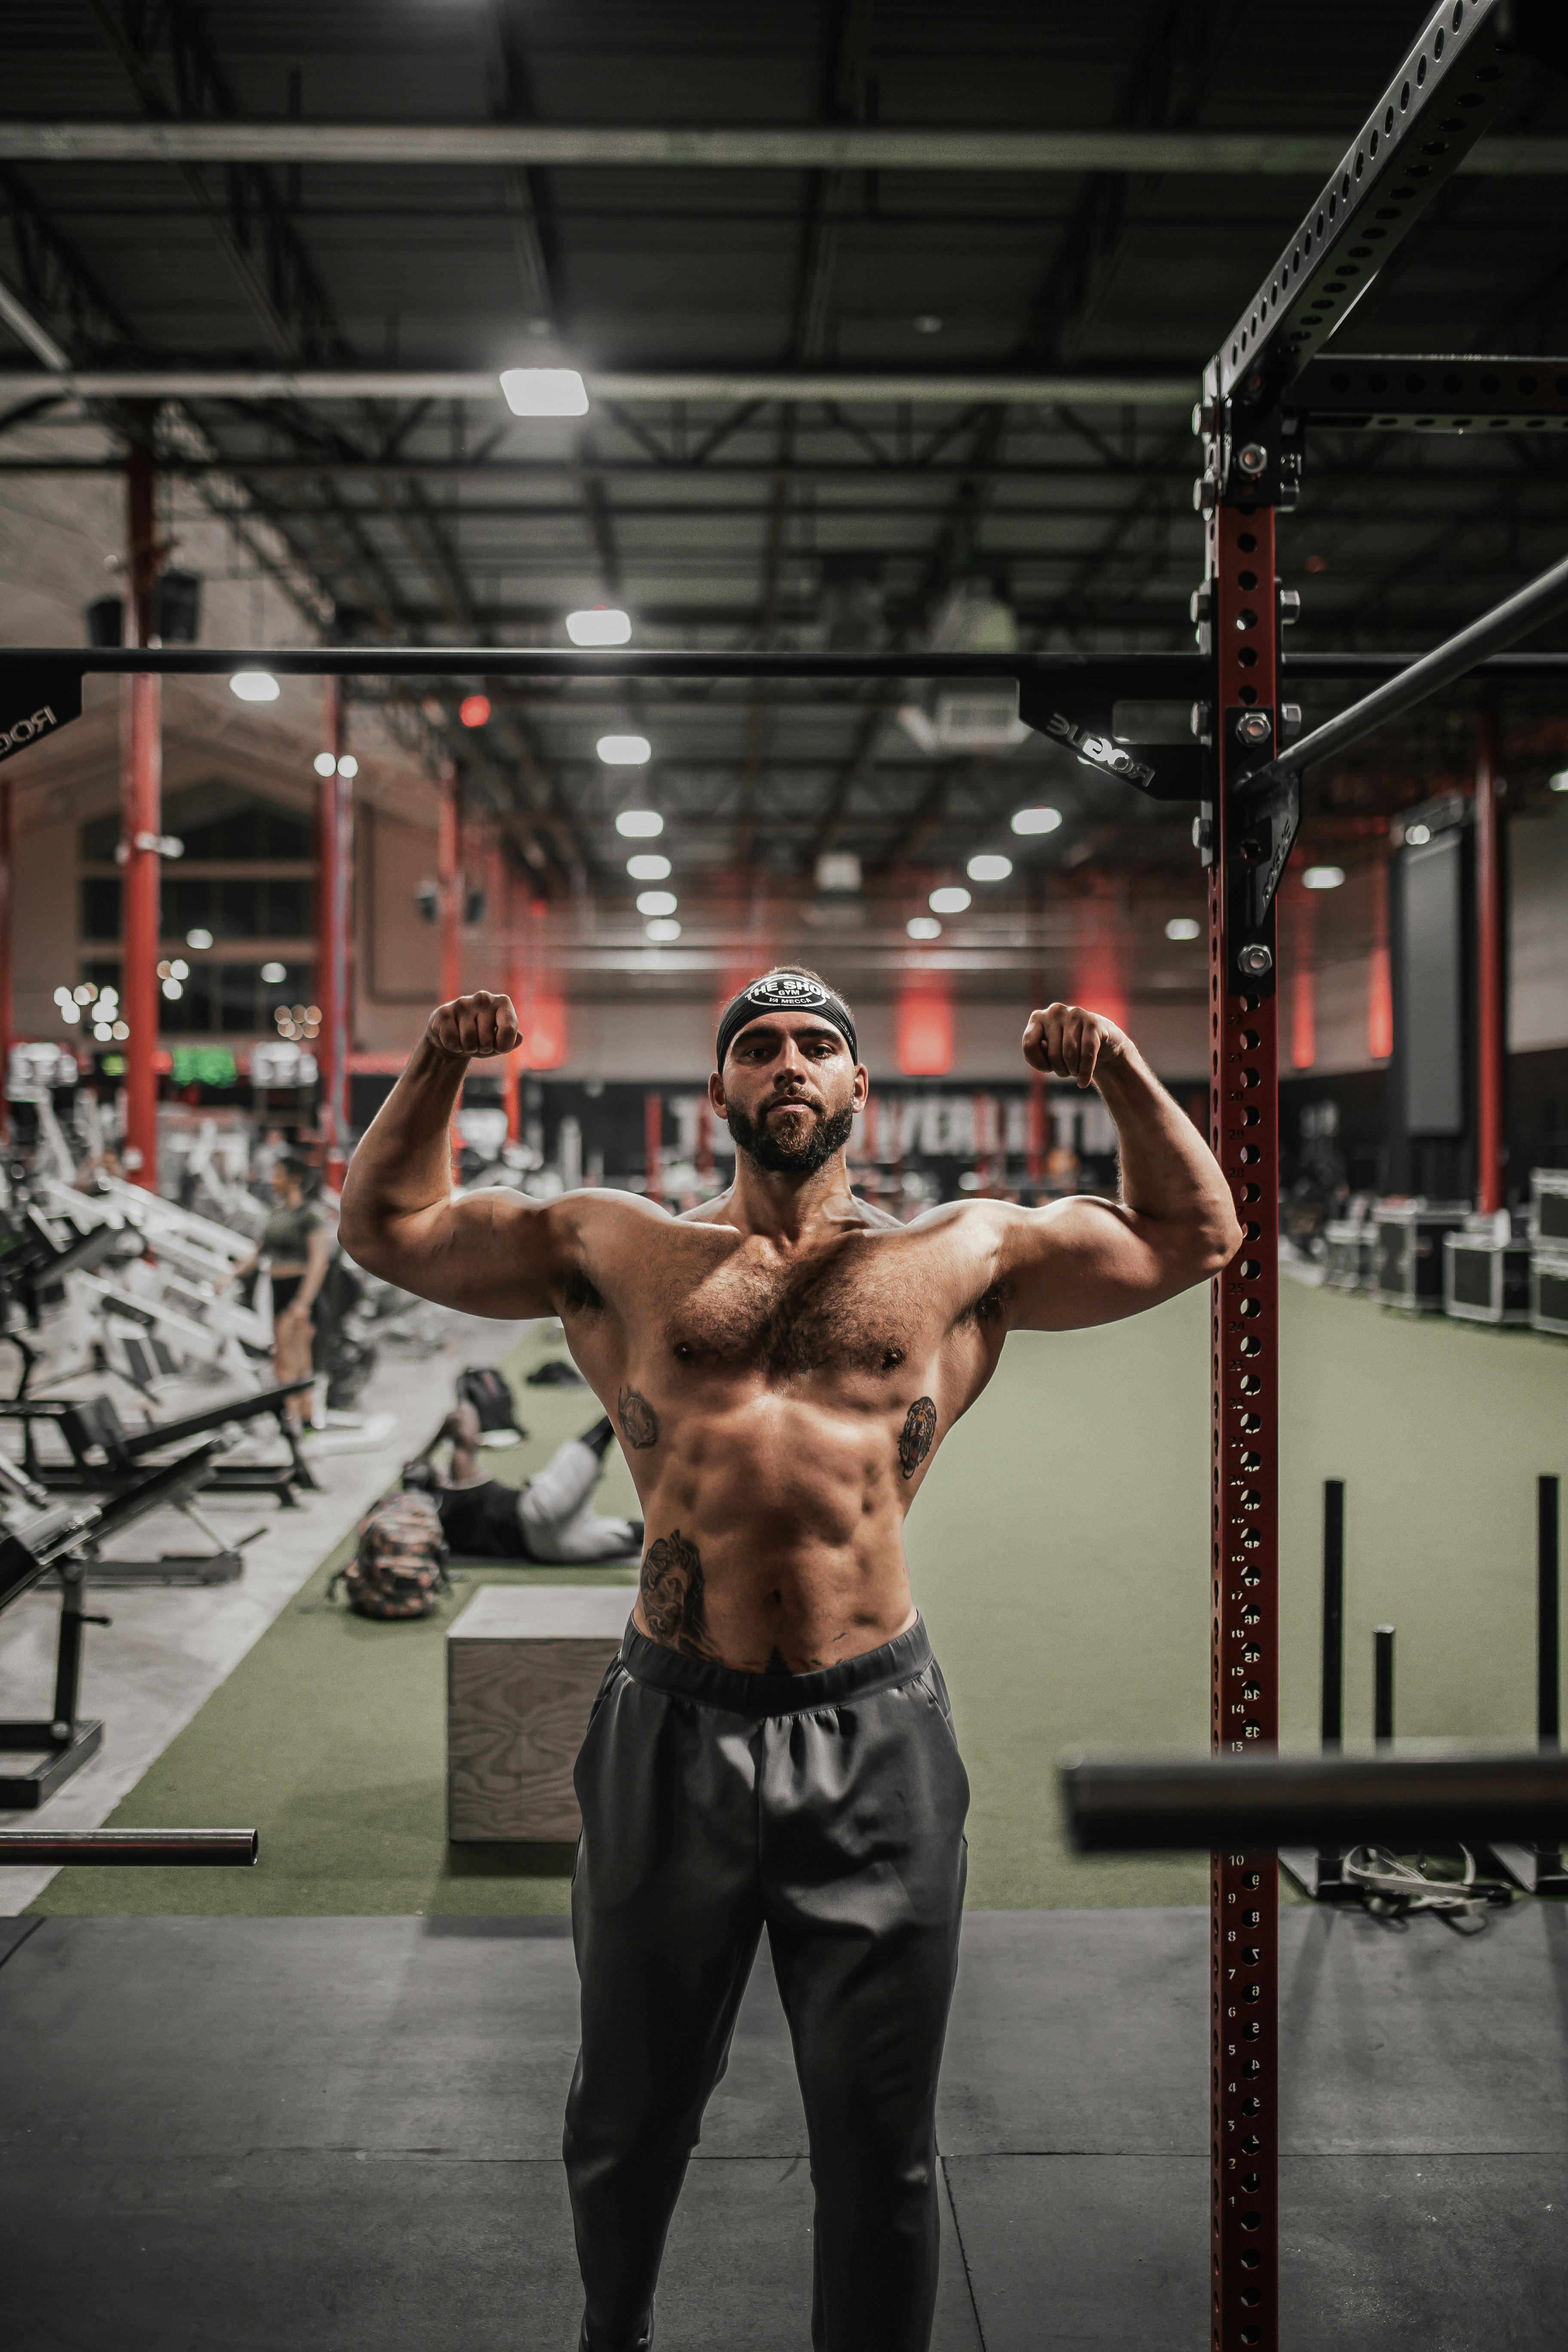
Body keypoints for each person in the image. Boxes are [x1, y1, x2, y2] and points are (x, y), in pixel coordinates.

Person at [338, 969, 1240, 2352]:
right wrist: (439, 1065)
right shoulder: (619, 1246)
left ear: (858, 1090)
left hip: (872, 1730)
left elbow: (1195, 1233)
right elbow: (388, 1226)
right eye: (756, 1047)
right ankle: (614, 2335)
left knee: (877, 2143)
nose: (788, 1064)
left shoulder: (958, 1255)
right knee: (623, 2115)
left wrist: (1116, 1063)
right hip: (668, 1725)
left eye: (819, 1045)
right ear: (719, 1091)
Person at [404, 1400, 641, 1563]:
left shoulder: (437, 1519)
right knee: (588, 1447)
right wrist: (425, 1453)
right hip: (537, 1514)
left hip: (549, 1550)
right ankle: (631, 1398)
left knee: (630, 1534)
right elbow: (462, 1414)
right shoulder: (457, 1482)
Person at [218, 1153, 332, 1429]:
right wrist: (231, 1274)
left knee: (297, 1361)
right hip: (276, 1289)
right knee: (282, 1359)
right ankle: (295, 1419)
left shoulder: (310, 1215)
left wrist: (303, 1302)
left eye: (278, 1174)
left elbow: (319, 1261)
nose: (272, 1180)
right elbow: (257, 1254)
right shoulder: (276, 1214)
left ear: (294, 1178)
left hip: (299, 1291)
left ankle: (303, 1420)